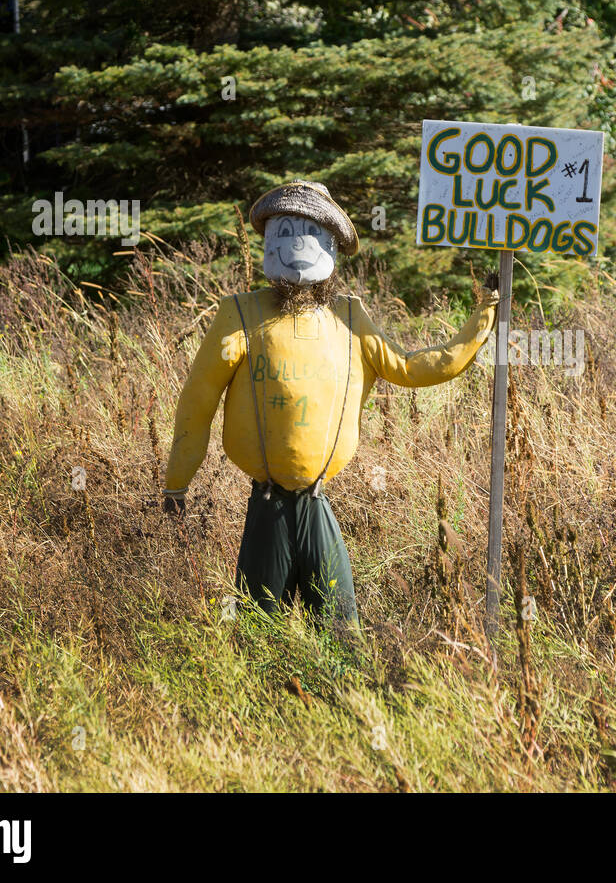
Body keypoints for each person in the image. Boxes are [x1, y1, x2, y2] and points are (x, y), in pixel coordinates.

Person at [162, 180, 498, 624]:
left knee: (337, 623)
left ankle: (339, 688)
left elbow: (415, 368)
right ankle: (258, 687)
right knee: (260, 625)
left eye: (307, 236)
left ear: (331, 247)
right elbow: (196, 408)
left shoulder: (350, 317)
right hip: (266, 503)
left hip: (316, 499)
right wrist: (176, 485)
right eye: (283, 234)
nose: (293, 246)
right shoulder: (239, 314)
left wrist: (484, 315)